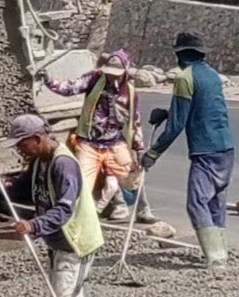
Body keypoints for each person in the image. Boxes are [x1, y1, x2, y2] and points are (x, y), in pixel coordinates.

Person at [2, 113, 104, 297]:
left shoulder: (63, 165)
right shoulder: (40, 161)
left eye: (22, 143)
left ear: (37, 138)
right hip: (58, 240)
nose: (19, 149)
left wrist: (33, 225)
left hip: (76, 241)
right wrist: (7, 185)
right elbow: (27, 187)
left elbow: (64, 210)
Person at [140, 32, 235, 268]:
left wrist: (152, 153)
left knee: (197, 202)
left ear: (181, 54)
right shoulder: (212, 75)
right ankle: (221, 251)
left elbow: (176, 126)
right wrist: (168, 112)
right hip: (226, 147)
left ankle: (215, 258)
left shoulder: (184, 77)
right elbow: (200, 108)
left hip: (205, 149)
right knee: (215, 202)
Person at [41, 48, 157, 224]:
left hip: (115, 142)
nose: (112, 77)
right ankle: (76, 219)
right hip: (89, 143)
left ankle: (143, 209)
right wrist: (49, 80)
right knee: (82, 185)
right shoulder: (94, 79)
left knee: (133, 177)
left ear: (125, 71)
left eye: (117, 74)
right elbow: (70, 88)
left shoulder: (130, 92)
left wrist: (139, 147)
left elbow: (135, 120)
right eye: (110, 73)